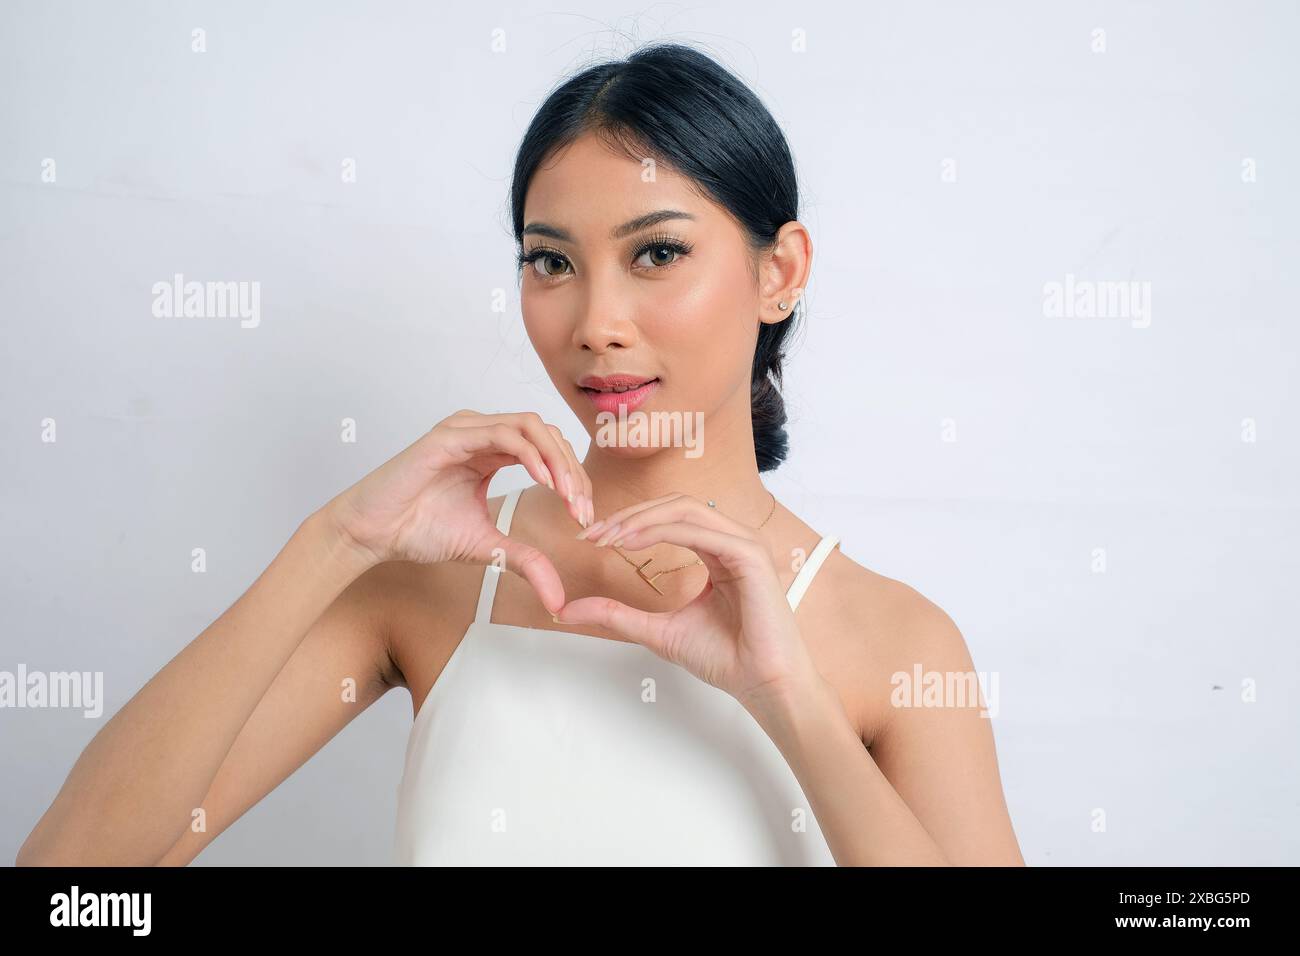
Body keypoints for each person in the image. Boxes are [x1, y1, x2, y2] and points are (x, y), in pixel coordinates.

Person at [16, 42, 1024, 867]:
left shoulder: (896, 642)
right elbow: (73, 875)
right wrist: (336, 538)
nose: (596, 322)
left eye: (656, 253)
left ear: (779, 270)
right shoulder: (431, 584)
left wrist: (789, 699)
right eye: (552, 262)